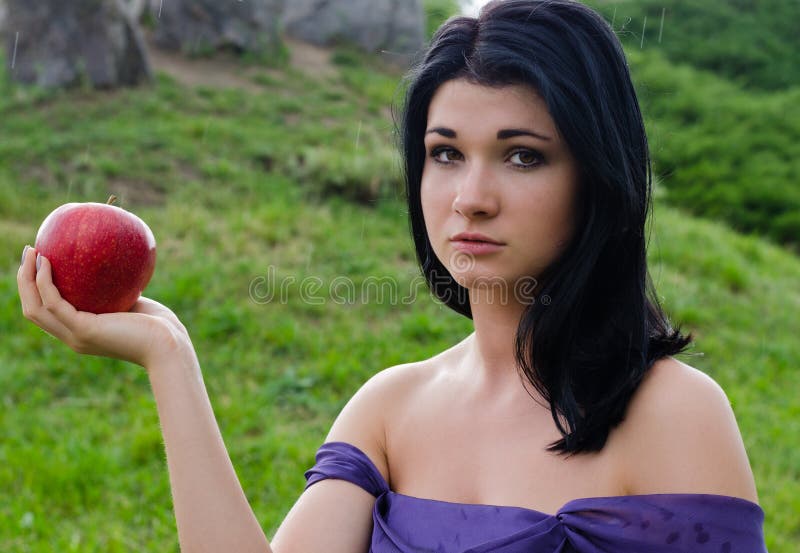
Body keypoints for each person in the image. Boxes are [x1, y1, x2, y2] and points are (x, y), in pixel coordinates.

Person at [18, 0, 768, 551]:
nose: (471, 196)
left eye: (522, 155)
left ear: (596, 178)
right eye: (445, 152)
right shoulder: (390, 408)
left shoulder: (676, 413)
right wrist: (169, 356)